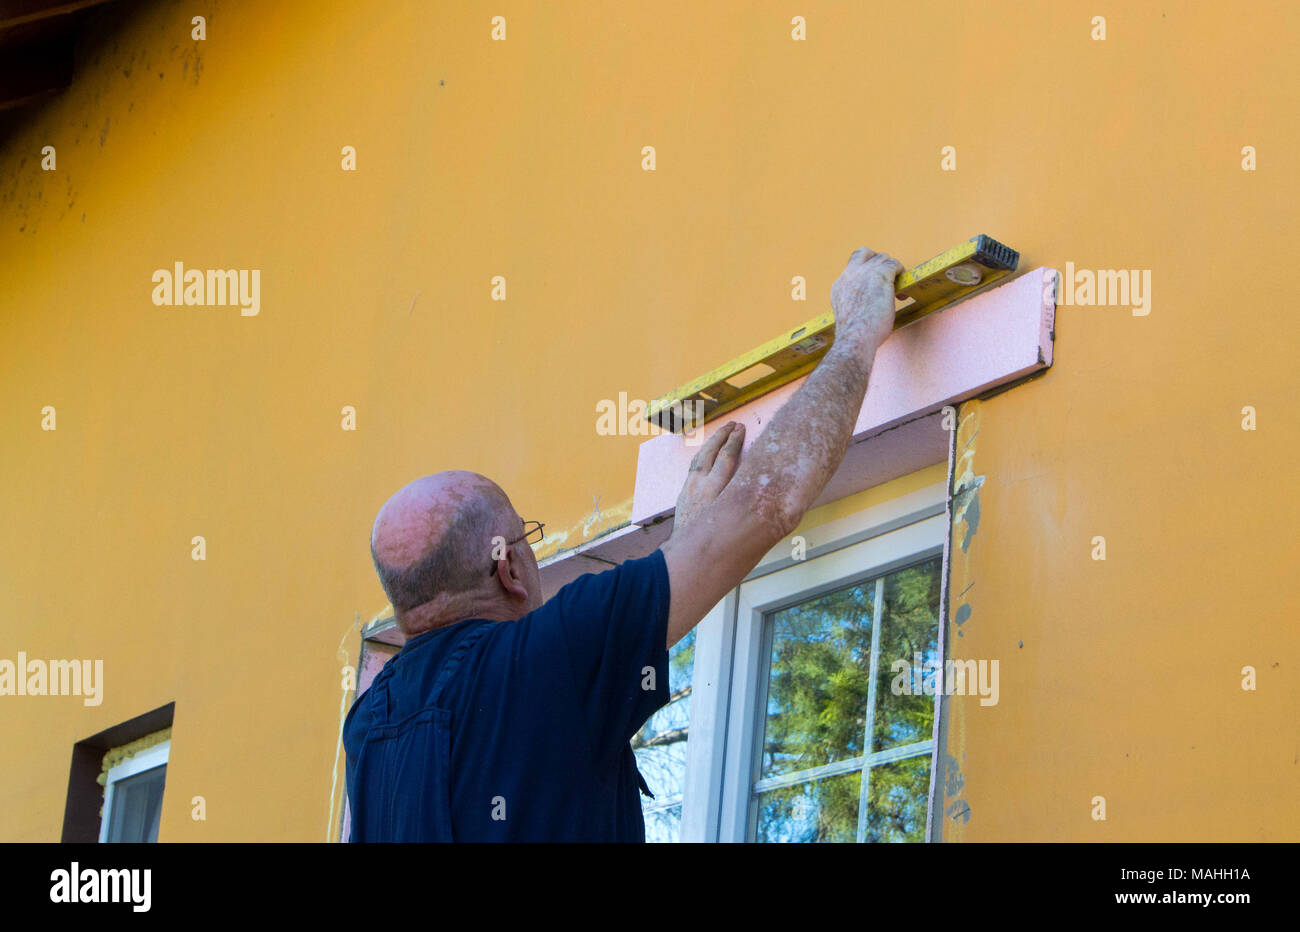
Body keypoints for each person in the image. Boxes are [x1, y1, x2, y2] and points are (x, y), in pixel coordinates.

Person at [343, 246, 904, 841]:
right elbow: (769, 502)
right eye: (527, 539)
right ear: (507, 569)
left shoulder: (371, 730)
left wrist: (687, 547)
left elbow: (549, 751)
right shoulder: (549, 654)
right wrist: (855, 339)